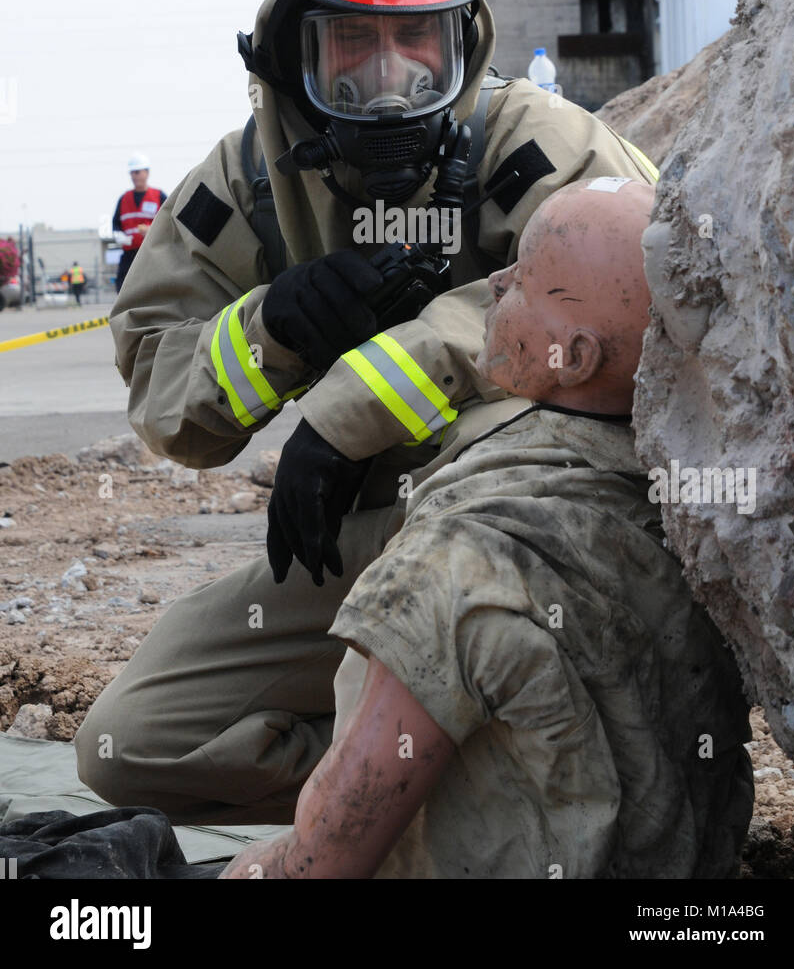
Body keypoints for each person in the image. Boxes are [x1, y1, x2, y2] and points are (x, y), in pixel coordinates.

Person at [75, 0, 658, 819]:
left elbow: (644, 299)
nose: (387, 79)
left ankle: (475, 767)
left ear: (461, 37)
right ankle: (411, 793)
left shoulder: (540, 148)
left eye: (415, 44)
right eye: (351, 43)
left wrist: (350, 403)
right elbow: (165, 399)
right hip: (372, 543)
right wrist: (271, 327)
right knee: (129, 743)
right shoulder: (246, 184)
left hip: (537, 535)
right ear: (294, 38)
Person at [217, 179, 753, 879]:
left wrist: (248, 868)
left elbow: (320, 864)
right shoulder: (690, 508)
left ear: (578, 358)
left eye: (525, 280)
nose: (495, 283)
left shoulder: (460, 557)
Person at [112, 154, 166, 293]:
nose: (134, 176)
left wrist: (152, 230)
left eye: (137, 172)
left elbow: (169, 221)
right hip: (129, 253)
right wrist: (119, 236)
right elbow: (116, 223)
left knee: (152, 287)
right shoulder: (124, 199)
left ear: (146, 173)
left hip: (150, 252)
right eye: (132, 173)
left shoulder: (158, 196)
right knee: (123, 286)